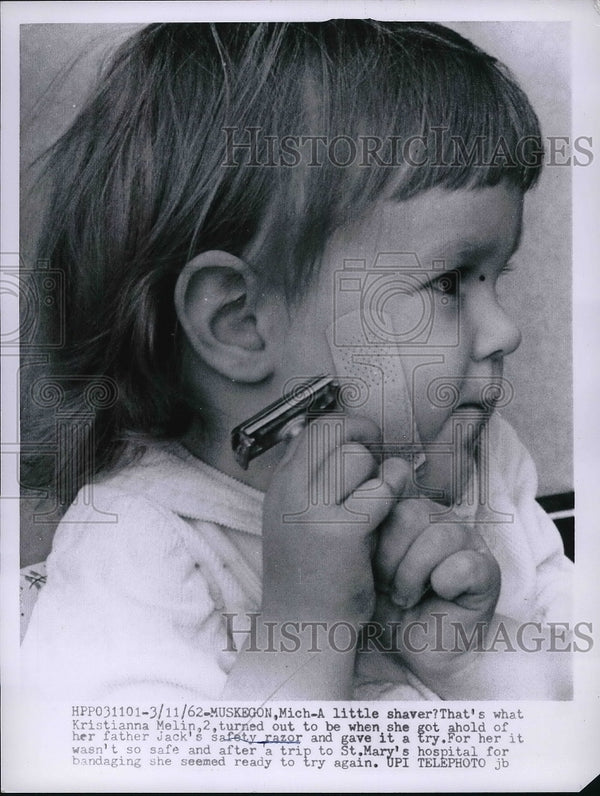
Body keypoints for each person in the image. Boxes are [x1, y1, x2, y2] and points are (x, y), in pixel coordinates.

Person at [20, 21, 572, 701]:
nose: (504, 331)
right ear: (241, 322)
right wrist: (306, 624)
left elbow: (576, 722)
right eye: (450, 283)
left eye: (499, 276)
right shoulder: (141, 550)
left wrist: (470, 659)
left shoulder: (485, 464)